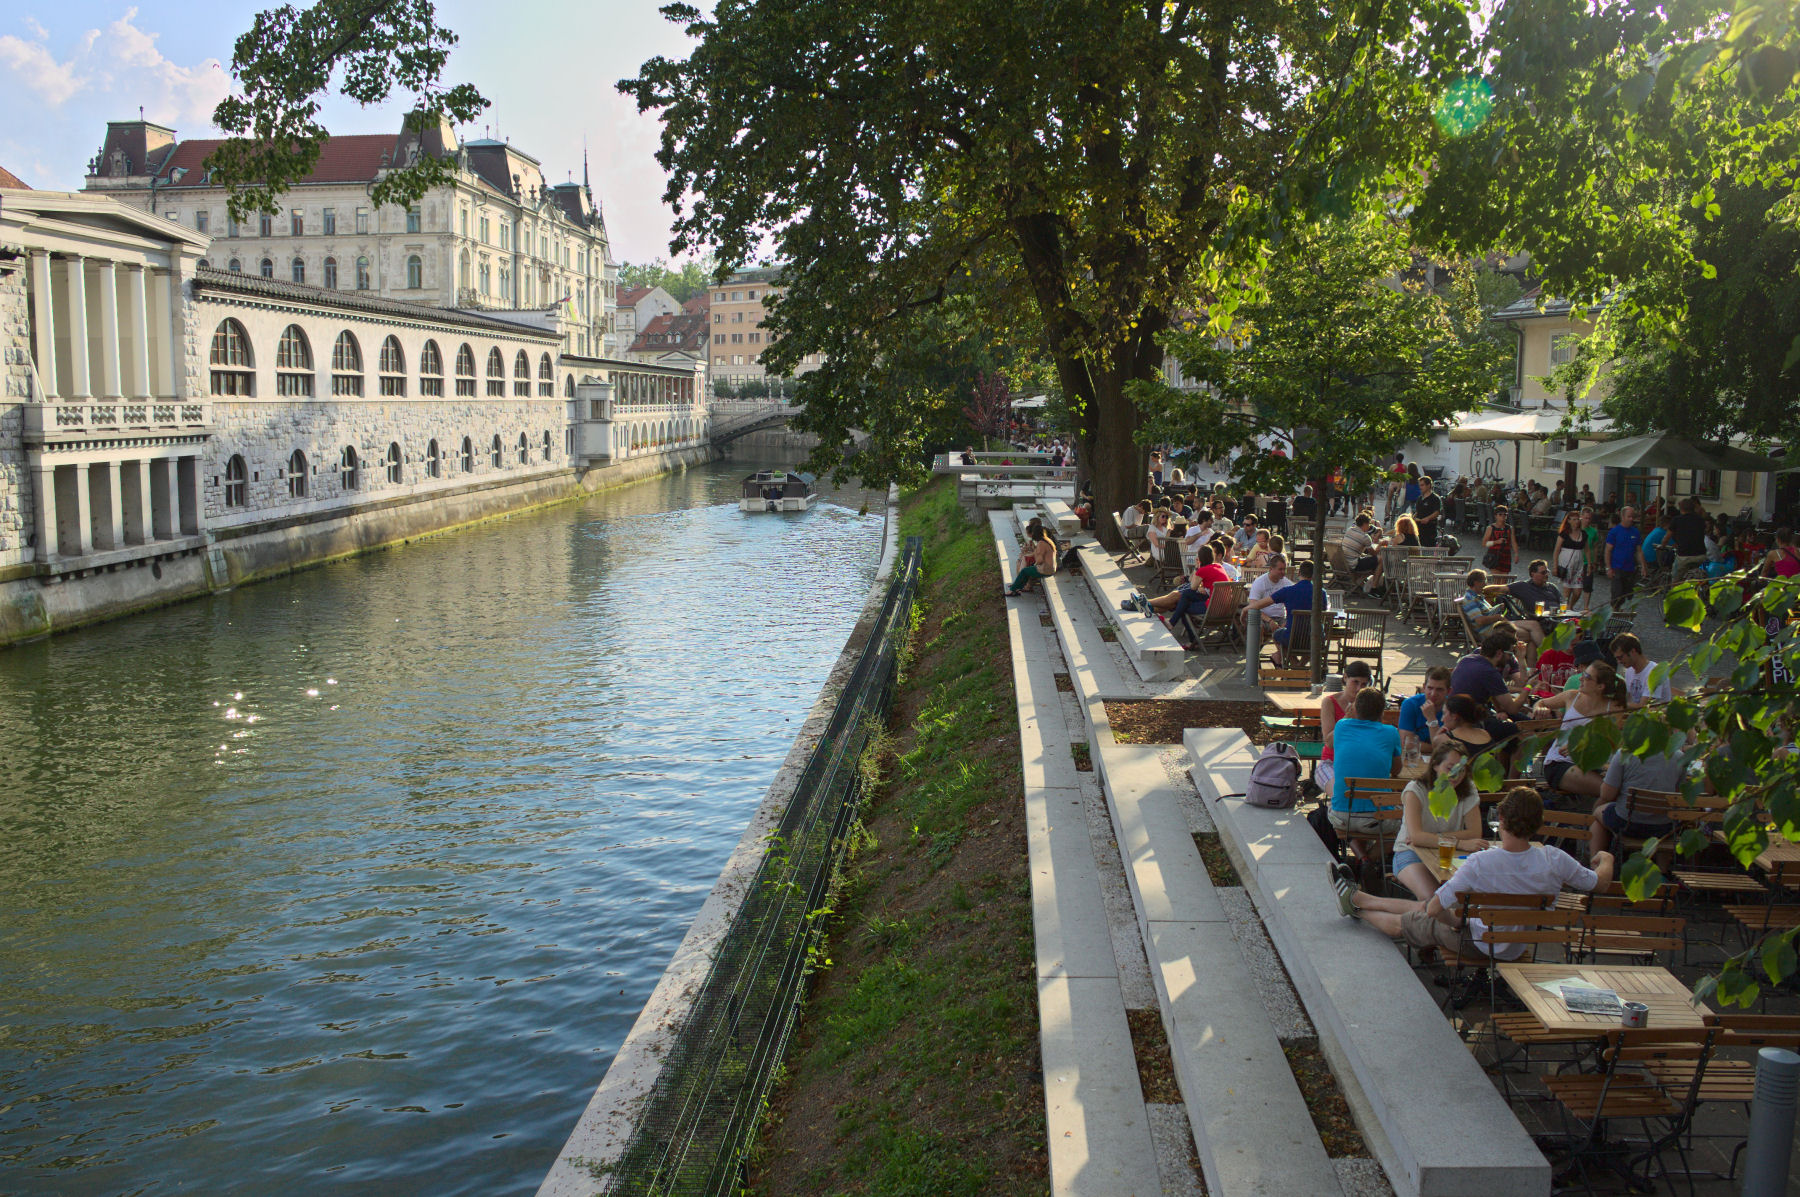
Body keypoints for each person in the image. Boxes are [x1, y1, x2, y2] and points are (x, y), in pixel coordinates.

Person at [1334, 788, 1614, 960]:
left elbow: (1433, 909)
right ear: (1538, 823)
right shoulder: (1555, 859)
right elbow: (1600, 883)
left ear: (1501, 819)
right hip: (1518, 944)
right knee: (1434, 908)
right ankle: (1360, 897)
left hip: (1479, 944)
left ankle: (1357, 910)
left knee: (1412, 921)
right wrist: (1607, 857)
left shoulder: (1481, 862)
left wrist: (1455, 922)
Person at [1389, 742, 1487, 900]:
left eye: (1461, 770)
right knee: (1433, 897)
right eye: (1450, 768)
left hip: (1452, 855)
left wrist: (1430, 837)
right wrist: (1459, 842)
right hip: (1411, 853)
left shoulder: (1468, 789)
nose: (1456, 775)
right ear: (1435, 765)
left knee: (1473, 894)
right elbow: (1417, 839)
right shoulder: (1416, 789)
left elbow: (1474, 833)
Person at [1531, 662, 1630, 798]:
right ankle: (1600, 817)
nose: (1580, 678)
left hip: (1594, 764)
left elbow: (1605, 740)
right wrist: (1539, 708)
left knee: (1626, 786)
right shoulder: (1571, 696)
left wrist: (1581, 745)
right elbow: (1541, 702)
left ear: (1600, 686)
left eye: (1587, 677)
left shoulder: (1613, 708)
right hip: (1561, 762)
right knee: (1610, 792)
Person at [1329, 687, 1402, 834]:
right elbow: (1396, 770)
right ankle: (1372, 855)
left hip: (1340, 817)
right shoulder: (1391, 732)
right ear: (1382, 712)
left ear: (1354, 708)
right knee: (1409, 821)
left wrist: (1348, 715)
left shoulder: (1341, 726)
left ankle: (1362, 857)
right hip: (1376, 819)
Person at [1589, 744, 1685, 855]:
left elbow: (1606, 795)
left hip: (1627, 825)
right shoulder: (1679, 756)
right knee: (1667, 817)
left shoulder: (1625, 753)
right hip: (1664, 828)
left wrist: (1616, 778)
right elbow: (1678, 796)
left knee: (1598, 812)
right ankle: (1663, 870)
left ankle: (1595, 863)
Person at [1450, 630, 1529, 718]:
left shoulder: (1467, 659)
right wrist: (1528, 688)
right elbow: (1512, 709)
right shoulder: (1490, 672)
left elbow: (1492, 690)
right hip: (1469, 721)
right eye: (1511, 654)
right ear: (1499, 653)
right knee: (1519, 725)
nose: (1510, 658)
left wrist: (1500, 710)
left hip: (1453, 712)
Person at [1268, 560, 1316, 667]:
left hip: (1292, 637)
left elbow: (1263, 602)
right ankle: (1299, 666)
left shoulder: (1288, 591)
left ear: (1298, 573)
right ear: (1314, 574)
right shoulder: (1321, 593)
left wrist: (1246, 609)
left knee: (1277, 635)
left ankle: (1295, 666)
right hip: (1313, 637)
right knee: (1319, 640)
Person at [1609, 632, 1671, 708]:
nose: (1618, 662)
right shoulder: (1629, 670)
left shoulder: (1654, 672)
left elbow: (1644, 707)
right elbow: (1629, 699)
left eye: (1620, 657)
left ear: (1633, 651)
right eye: (1617, 659)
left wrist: (1614, 705)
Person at [1399, 667, 1452, 754]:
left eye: (1439, 689)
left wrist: (1431, 719)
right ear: (1424, 687)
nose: (1433, 694)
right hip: (1415, 760)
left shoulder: (1453, 709)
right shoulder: (1410, 704)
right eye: (1430, 688)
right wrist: (1437, 748)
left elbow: (1449, 748)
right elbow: (1407, 743)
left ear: (1449, 691)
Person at [1245, 554, 1291, 641]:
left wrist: (1287, 621)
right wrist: (1270, 621)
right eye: (1280, 569)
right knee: (1257, 625)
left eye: (1284, 569)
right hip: (1262, 617)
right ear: (1271, 569)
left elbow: (1292, 605)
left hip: (1280, 618)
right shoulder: (1260, 582)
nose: (1283, 572)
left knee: (1292, 625)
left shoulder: (1287, 583)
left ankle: (1282, 653)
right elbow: (1253, 606)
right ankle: (1256, 652)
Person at [1605, 505, 1643, 600]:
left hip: (1630, 568)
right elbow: (1608, 551)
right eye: (1629, 517)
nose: (1631, 519)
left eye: (1632, 517)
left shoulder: (1635, 532)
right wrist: (1608, 568)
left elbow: (1639, 551)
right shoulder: (1614, 532)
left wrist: (1643, 566)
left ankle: (1625, 613)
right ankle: (1616, 611)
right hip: (1617, 568)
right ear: (1622, 517)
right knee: (1617, 595)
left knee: (1629, 595)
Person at [1005, 527, 1058, 596]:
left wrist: (1034, 564)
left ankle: (1012, 590)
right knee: (1027, 570)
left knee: (1024, 571)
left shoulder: (1041, 543)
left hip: (1046, 569)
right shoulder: (1048, 541)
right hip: (1052, 568)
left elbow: (1040, 560)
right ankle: (1017, 588)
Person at [1671, 497, 1710, 581]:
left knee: (1676, 578)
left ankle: (1675, 590)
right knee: (1699, 577)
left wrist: (1663, 545)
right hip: (1700, 555)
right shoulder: (1700, 520)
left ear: (1681, 508)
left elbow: (1667, 536)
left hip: (1684, 555)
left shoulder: (1677, 520)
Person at [1481, 505, 1519, 575]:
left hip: (1506, 555)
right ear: (1496, 516)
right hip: (1494, 555)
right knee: (1495, 579)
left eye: (1505, 514)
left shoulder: (1509, 528)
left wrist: (1516, 554)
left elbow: (1513, 542)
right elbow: (1484, 544)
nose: (1503, 516)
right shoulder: (1490, 528)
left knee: (1504, 579)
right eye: (1500, 514)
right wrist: (1496, 542)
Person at [1638, 512, 1672, 583]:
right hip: (1651, 559)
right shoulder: (1664, 533)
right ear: (1668, 525)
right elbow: (1674, 545)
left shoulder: (1656, 530)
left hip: (1644, 557)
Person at [1414, 475, 1443, 547]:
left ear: (1429, 485)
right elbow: (1417, 511)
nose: (1420, 487)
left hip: (1430, 529)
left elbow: (1437, 512)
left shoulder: (1435, 498)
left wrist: (1428, 518)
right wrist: (1413, 517)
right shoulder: (1419, 498)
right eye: (1420, 485)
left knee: (1429, 548)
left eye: (1422, 485)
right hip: (1419, 528)